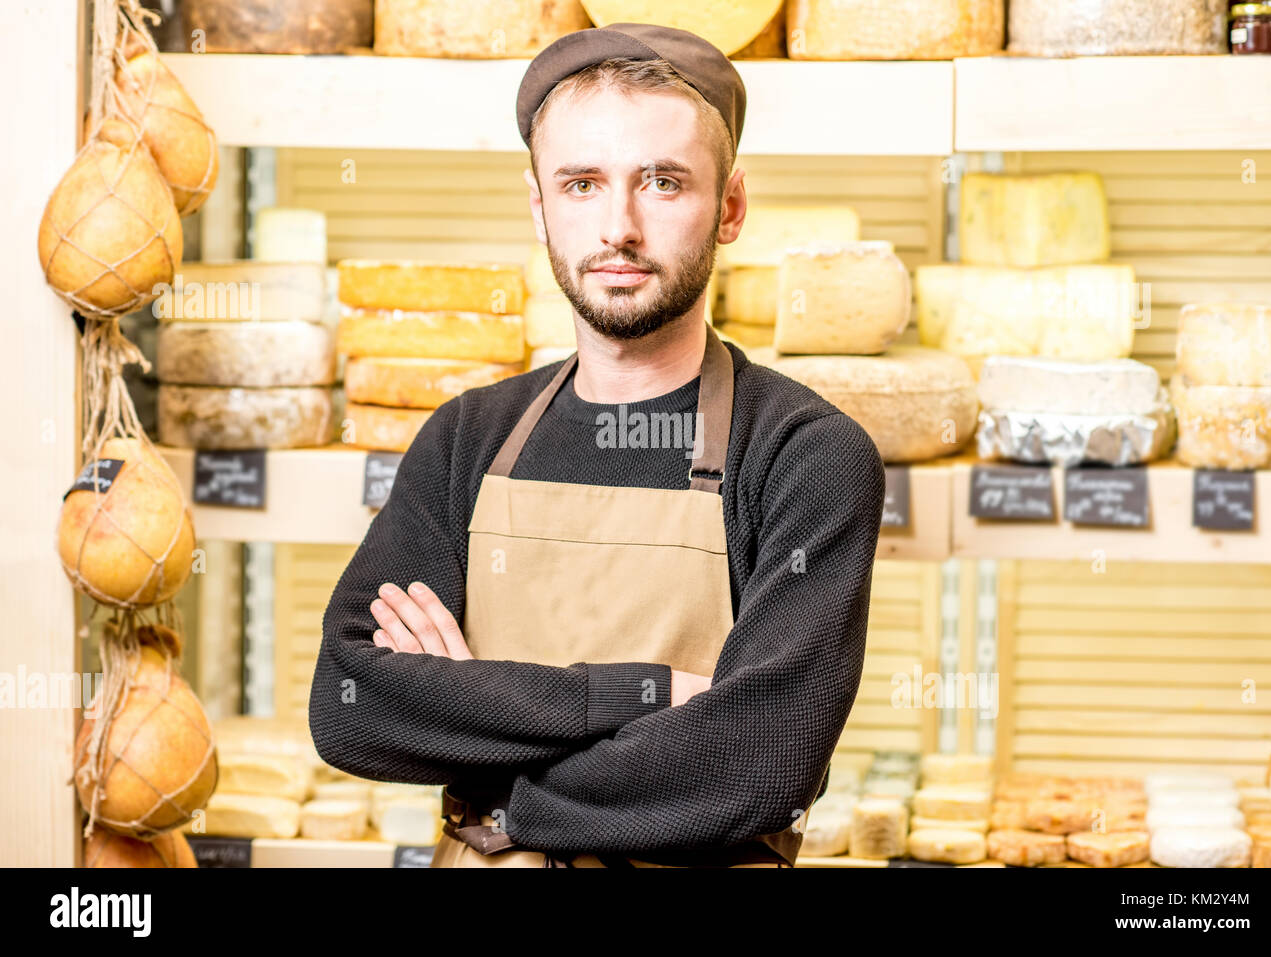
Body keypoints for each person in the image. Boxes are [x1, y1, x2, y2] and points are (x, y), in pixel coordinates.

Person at [309, 22, 885, 868]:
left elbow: (760, 760)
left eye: (662, 182)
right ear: (539, 206)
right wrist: (641, 696)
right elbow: (352, 703)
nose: (618, 226)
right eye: (581, 183)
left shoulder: (806, 456)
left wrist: (494, 778)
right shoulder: (467, 437)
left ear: (729, 207)